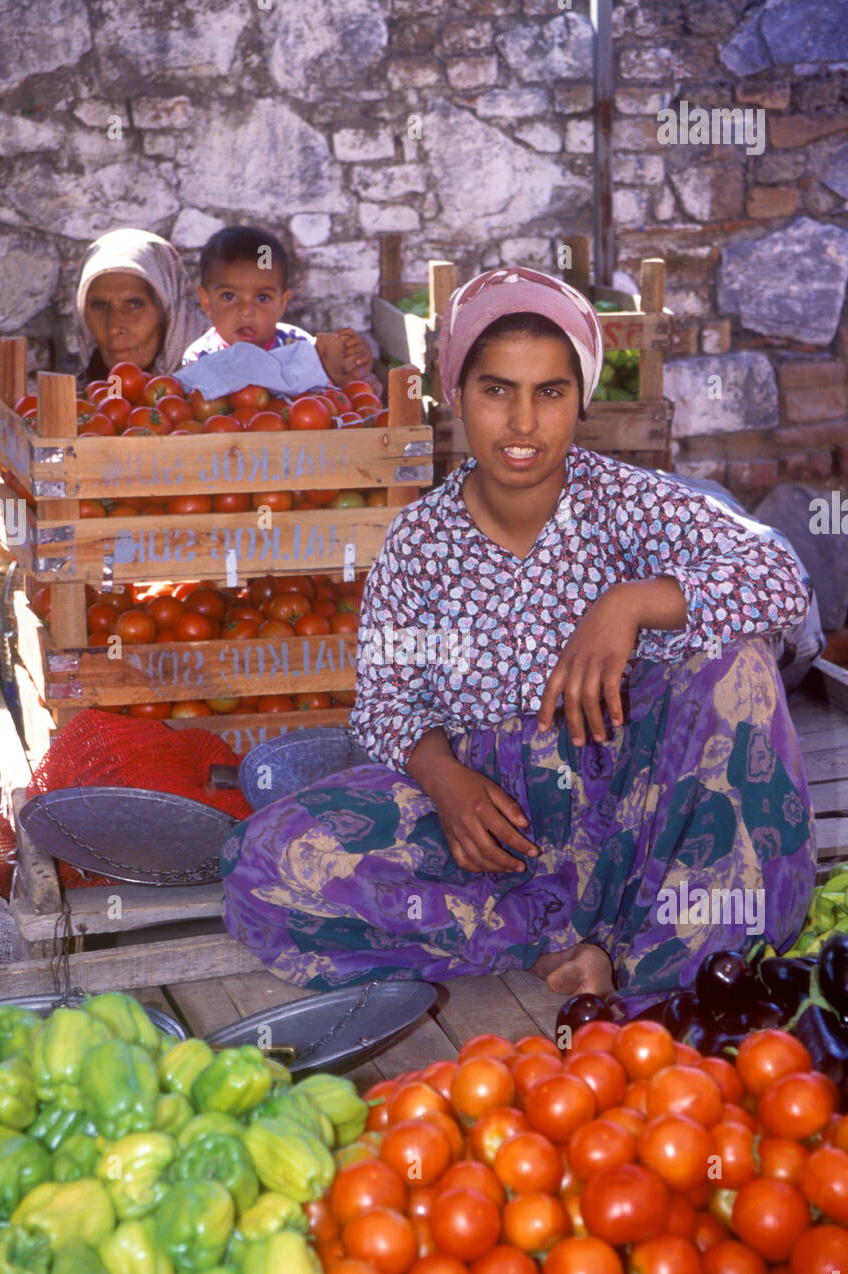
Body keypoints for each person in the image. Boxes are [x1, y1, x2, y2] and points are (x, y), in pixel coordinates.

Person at [219, 266, 817, 1013]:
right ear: (456, 397)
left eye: (551, 392)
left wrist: (629, 603)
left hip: (637, 806)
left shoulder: (630, 503)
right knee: (268, 866)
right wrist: (443, 778)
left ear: (582, 398)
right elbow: (384, 707)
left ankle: (661, 970)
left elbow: (778, 577)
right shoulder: (418, 543)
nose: (524, 422)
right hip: (493, 832)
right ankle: (548, 943)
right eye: (496, 389)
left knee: (738, 669)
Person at [181, 225, 380, 391]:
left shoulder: (299, 347)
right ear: (206, 301)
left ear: (282, 303)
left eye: (262, 297)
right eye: (229, 296)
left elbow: (338, 387)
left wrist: (354, 362)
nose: (246, 310)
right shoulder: (200, 358)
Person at [73, 228, 209, 384]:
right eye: (100, 306)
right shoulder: (88, 391)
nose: (114, 327)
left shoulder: (219, 387)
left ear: (169, 311)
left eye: (134, 305)